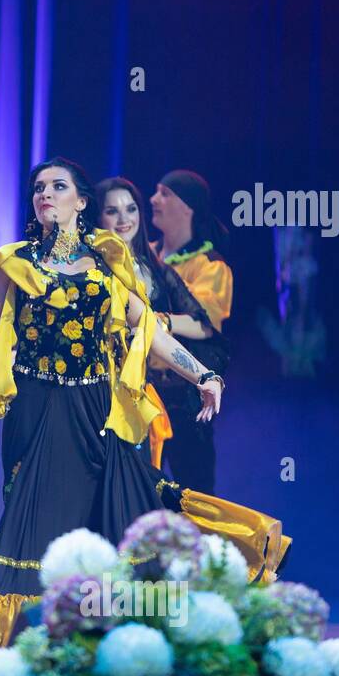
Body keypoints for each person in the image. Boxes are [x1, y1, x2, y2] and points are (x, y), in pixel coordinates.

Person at [0, 157, 283, 676]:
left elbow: (151, 333)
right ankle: (23, 657)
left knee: (124, 519)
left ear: (80, 201)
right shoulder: (14, 263)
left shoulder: (106, 265)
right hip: (38, 415)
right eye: (39, 188)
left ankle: (126, 651)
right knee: (35, 530)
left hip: (99, 415)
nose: (45, 194)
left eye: (58, 186)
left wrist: (203, 375)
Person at [96, 177, 228, 472]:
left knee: (161, 486)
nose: (124, 219)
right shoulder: (91, 270)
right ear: (97, 217)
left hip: (151, 395)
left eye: (131, 209)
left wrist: (161, 323)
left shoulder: (155, 267)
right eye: (112, 211)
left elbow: (203, 324)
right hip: (96, 395)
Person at [148, 170, 233, 493]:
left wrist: (159, 321)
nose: (154, 200)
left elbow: (206, 321)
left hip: (184, 395)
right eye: (156, 192)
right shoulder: (146, 253)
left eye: (165, 194)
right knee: (141, 487)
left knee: (192, 492)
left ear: (187, 207)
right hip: (143, 389)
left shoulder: (209, 264)